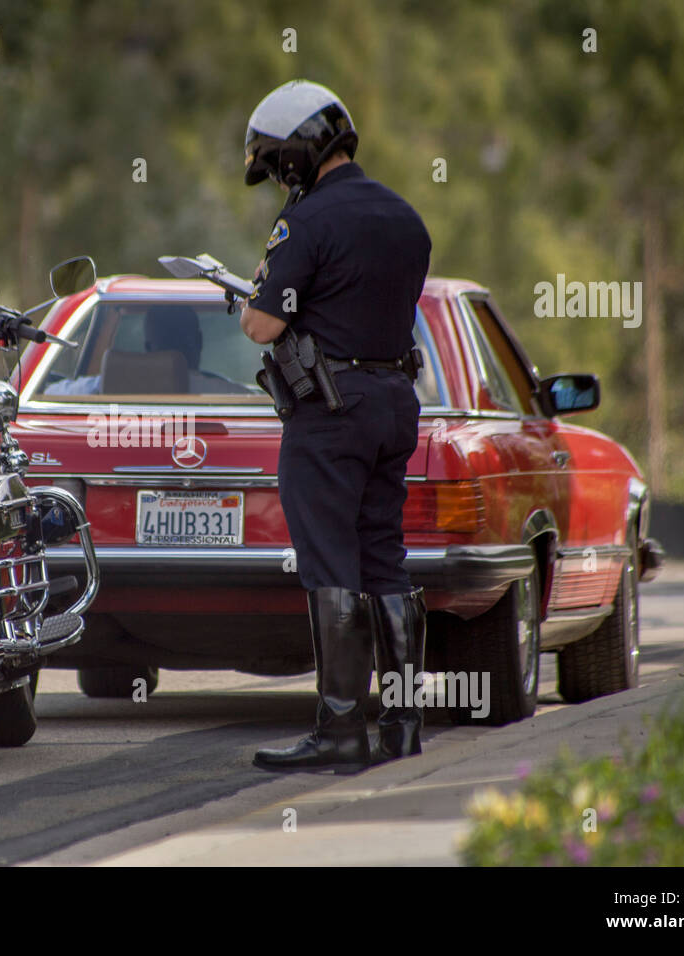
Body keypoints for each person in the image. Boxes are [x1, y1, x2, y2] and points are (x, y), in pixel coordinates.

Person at [238, 79, 431, 773]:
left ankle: (341, 731)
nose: (274, 181)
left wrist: (261, 280)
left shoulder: (307, 222)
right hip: (392, 401)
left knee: (330, 566)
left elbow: (263, 324)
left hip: (330, 412)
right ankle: (404, 729)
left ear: (294, 158)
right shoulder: (407, 217)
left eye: (274, 166)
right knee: (386, 560)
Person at [43, 305, 247, 395]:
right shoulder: (226, 394)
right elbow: (258, 400)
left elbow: (48, 392)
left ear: (148, 348)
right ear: (199, 342)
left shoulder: (100, 387)